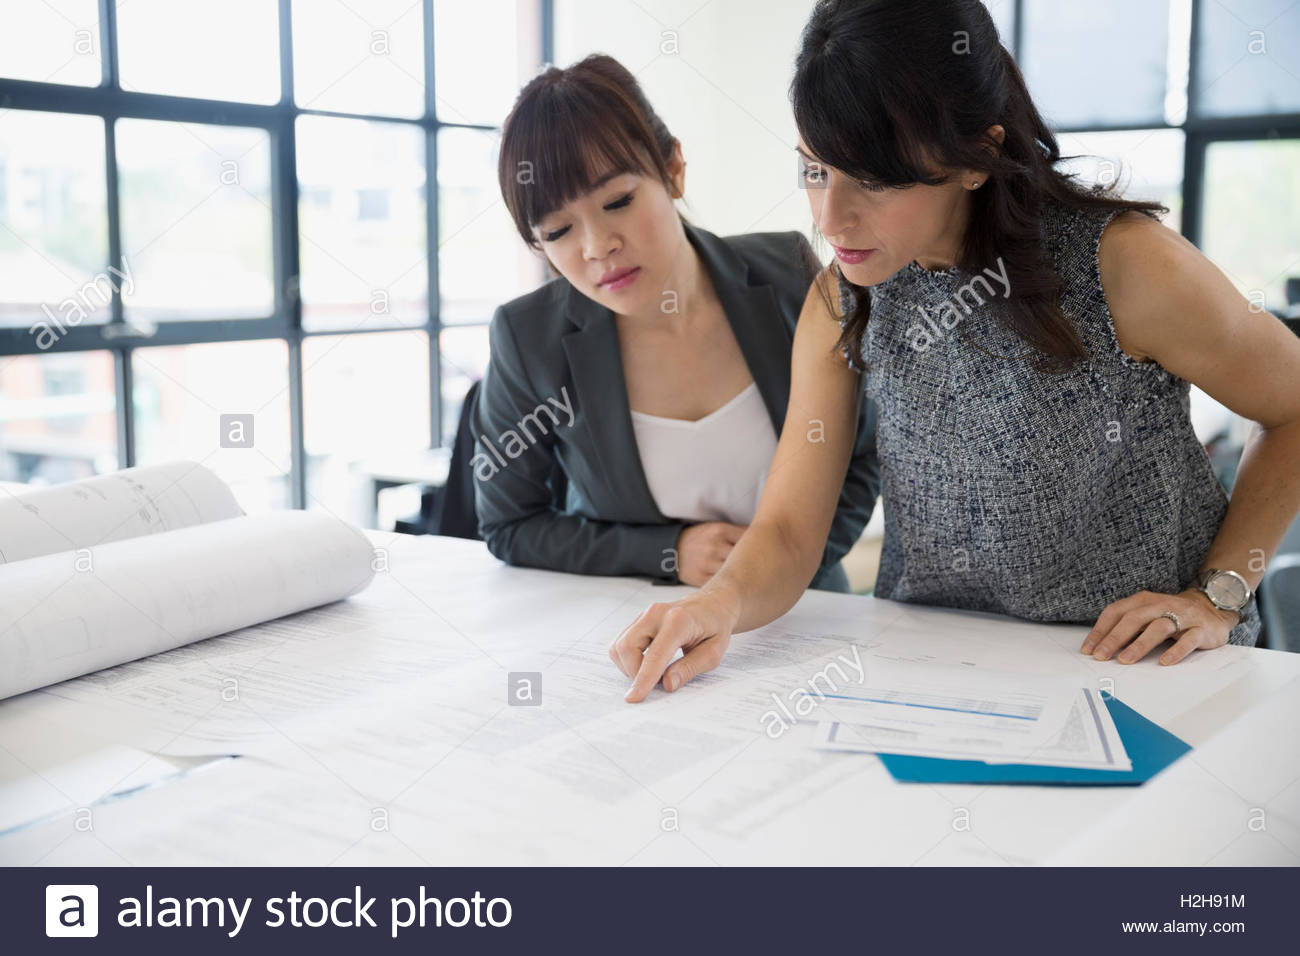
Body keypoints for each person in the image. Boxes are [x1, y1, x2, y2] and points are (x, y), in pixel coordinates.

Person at [611, 0, 1300, 701]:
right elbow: (789, 530)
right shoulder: (843, 298)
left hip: (1145, 673)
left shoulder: (1123, 266)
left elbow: (1294, 408)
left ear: (977, 158)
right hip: (938, 677)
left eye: (875, 180)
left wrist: (1220, 594)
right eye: (815, 170)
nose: (830, 218)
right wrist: (717, 604)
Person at [471, 54, 880, 591]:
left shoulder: (790, 276)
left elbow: (861, 456)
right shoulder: (528, 339)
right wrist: (667, 554)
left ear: (673, 170)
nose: (598, 247)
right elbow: (510, 526)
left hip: (804, 619)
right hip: (627, 636)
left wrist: (776, 571)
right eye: (557, 231)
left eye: (618, 201)